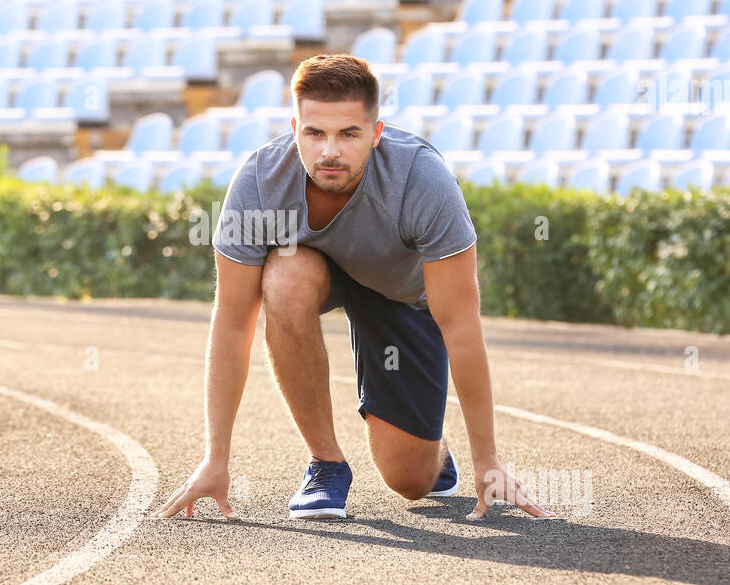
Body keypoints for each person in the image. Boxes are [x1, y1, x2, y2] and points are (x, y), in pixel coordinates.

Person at [153, 54, 557, 521]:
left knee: (410, 482)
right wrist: (215, 458)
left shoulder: (421, 181)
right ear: (295, 128)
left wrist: (487, 460)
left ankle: (433, 451)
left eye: (349, 134)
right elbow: (230, 323)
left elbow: (461, 326)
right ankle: (326, 465)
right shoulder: (261, 182)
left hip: (400, 297)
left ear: (377, 133)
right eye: (315, 133)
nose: (329, 151)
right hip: (313, 274)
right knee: (284, 275)